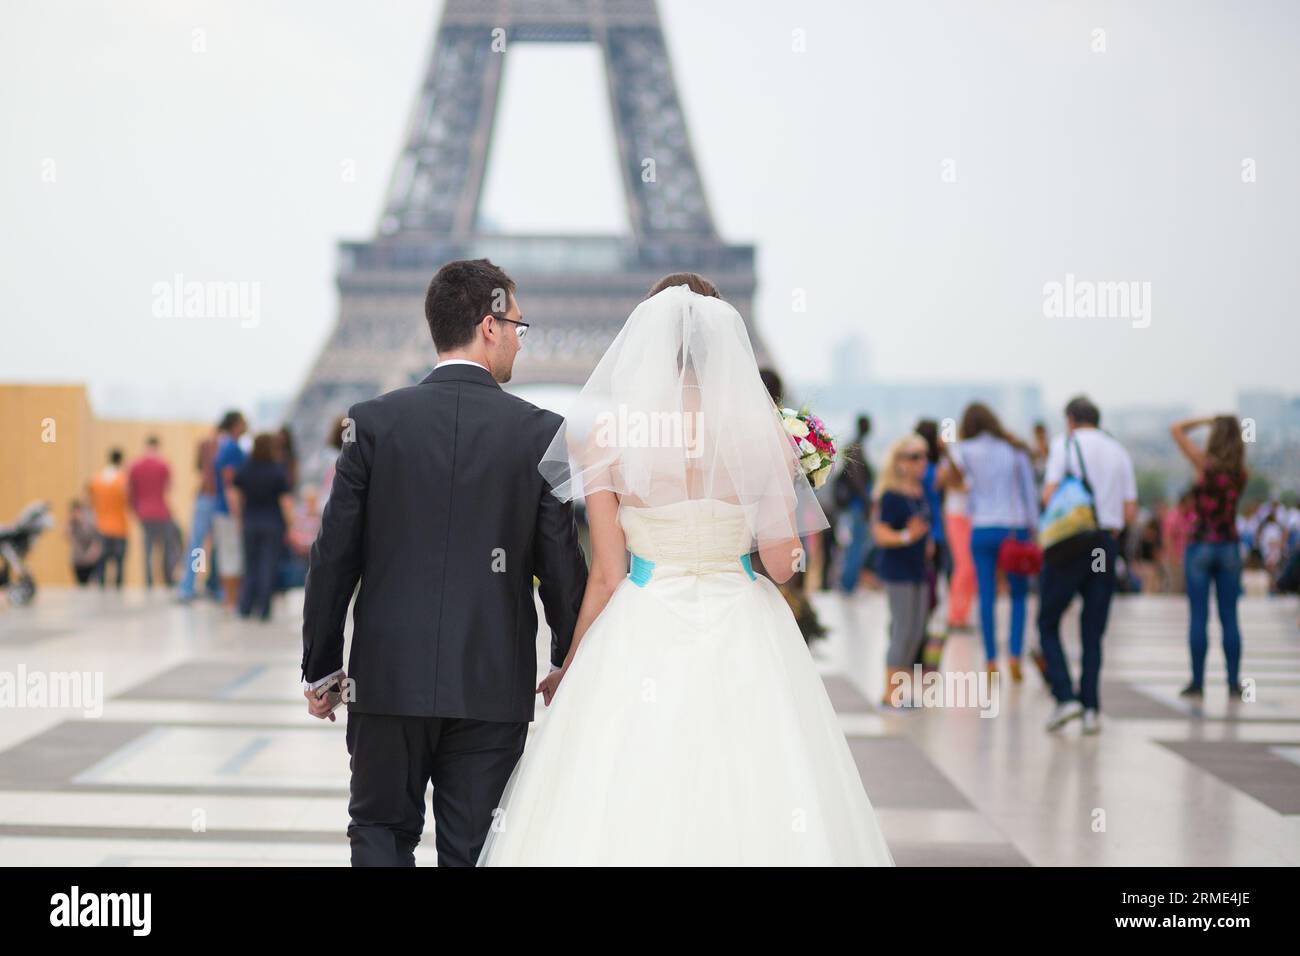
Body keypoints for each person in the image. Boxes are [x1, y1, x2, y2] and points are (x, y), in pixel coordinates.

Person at [477, 275, 893, 865]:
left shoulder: (609, 437)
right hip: (745, 618)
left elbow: (606, 574)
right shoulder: (765, 435)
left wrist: (569, 665)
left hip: (644, 619)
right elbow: (780, 565)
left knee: (626, 782)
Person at [302, 259, 589, 867]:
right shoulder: (547, 433)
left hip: (386, 680)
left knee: (379, 831)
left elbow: (333, 557)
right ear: (490, 325)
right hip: (490, 684)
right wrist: (570, 655)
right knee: (475, 851)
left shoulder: (371, 424)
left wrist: (322, 668)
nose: (520, 338)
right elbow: (561, 563)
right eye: (517, 324)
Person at [1038, 396, 1137, 734]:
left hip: (1069, 546)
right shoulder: (1118, 451)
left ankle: (1066, 697)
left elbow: (1048, 496)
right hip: (1102, 548)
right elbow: (1129, 513)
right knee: (1092, 630)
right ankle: (1091, 707)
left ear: (1070, 419)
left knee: (1048, 620)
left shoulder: (1063, 445)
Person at [952, 403, 1037, 679]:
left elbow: (953, 475)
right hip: (1014, 529)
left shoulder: (964, 450)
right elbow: (1029, 494)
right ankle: (1015, 654)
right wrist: (1034, 529)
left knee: (986, 594)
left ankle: (990, 659)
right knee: (1018, 595)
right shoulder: (1014, 451)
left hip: (982, 527)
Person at [1171, 415, 1247, 700]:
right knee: (1230, 616)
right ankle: (1233, 681)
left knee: (1199, 616)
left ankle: (1197, 681)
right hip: (1229, 545)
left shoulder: (1204, 465)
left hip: (1200, 544)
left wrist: (1206, 420)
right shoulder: (1241, 473)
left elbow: (1176, 429)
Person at [873, 435, 932, 707]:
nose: (921, 462)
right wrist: (909, 535)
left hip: (918, 569)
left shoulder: (919, 492)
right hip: (898, 571)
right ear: (899, 462)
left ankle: (902, 690)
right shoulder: (890, 495)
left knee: (916, 631)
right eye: (914, 456)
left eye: (923, 455)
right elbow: (881, 534)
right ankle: (890, 693)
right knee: (902, 629)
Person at [232, 433, 294, 620]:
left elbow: (236, 496)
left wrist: (239, 519)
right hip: (272, 524)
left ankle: (245, 607)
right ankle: (264, 609)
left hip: (250, 522)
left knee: (250, 565)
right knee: (268, 565)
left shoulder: (245, 468)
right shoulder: (277, 470)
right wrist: (290, 525)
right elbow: (285, 501)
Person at [178, 419, 223, 602]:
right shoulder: (228, 446)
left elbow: (198, 467)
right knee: (218, 546)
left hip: (204, 496)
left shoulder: (204, 444)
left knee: (197, 546)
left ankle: (189, 587)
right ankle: (217, 587)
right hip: (219, 499)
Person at [127, 435, 174, 588]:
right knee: (166, 547)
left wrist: (134, 509)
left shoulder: (135, 465)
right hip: (161, 511)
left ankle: (149, 582)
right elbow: (168, 488)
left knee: (147, 547)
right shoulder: (164, 465)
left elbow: (130, 491)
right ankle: (167, 579)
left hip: (143, 512)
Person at [212, 411, 248, 610]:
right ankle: (231, 599)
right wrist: (237, 512)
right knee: (232, 553)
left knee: (226, 553)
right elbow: (230, 483)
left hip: (221, 508)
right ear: (235, 425)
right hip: (229, 510)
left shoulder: (223, 445)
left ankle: (228, 598)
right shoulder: (232, 448)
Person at [834, 415, 874, 593]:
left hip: (856, 503)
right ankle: (847, 583)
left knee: (854, 544)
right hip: (857, 504)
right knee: (856, 545)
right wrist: (866, 501)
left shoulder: (855, 446)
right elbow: (857, 479)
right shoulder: (857, 447)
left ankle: (848, 582)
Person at [87, 448, 129, 589]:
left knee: (102, 561)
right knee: (119, 563)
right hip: (119, 526)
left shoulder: (96, 480)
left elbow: (90, 500)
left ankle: (102, 589)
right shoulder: (123, 480)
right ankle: (118, 590)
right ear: (121, 460)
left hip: (101, 525)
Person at [65, 499, 101, 585]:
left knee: (93, 585)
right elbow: (68, 536)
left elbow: (95, 539)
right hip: (78, 560)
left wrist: (91, 554)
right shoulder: (72, 524)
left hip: (91, 561)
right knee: (81, 586)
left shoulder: (90, 522)